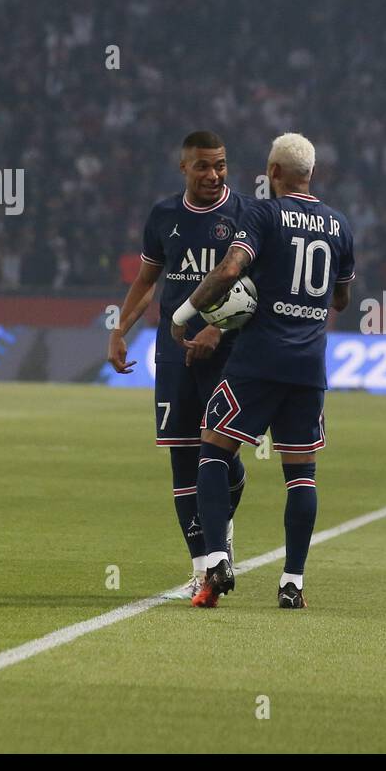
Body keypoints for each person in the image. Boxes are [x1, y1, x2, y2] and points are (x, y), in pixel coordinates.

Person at [171, 132, 355, 609]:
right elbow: (341, 297)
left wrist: (186, 314)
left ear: (273, 172)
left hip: (257, 362)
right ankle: (292, 583)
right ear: (310, 174)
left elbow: (232, 269)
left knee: (212, 448)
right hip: (308, 367)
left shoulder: (263, 213)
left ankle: (215, 561)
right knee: (301, 475)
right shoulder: (339, 225)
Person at [108, 131, 256, 600]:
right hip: (174, 354)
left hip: (229, 356)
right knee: (182, 458)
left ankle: (219, 529)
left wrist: (219, 329)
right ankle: (203, 566)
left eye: (221, 165)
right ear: (184, 168)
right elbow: (147, 279)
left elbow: (259, 288)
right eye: (203, 167)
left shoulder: (246, 215)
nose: (214, 175)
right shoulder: (164, 216)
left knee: (223, 458)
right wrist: (120, 328)